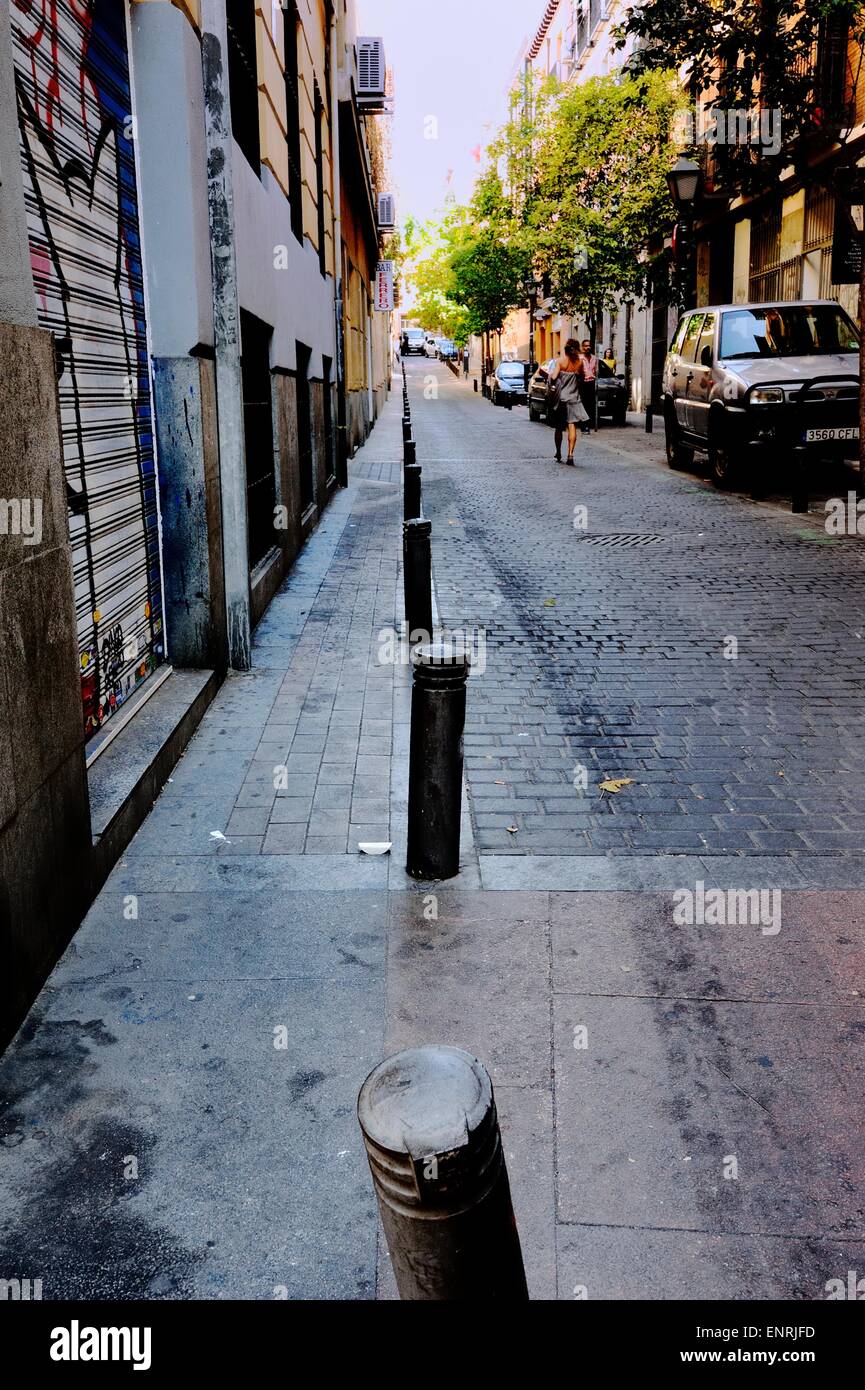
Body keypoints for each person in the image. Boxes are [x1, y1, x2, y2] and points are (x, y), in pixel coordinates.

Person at [549, 339, 589, 464]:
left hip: (562, 399)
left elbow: (554, 377)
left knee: (559, 428)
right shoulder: (579, 363)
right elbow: (582, 377)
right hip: (574, 399)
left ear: (565, 350)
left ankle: (558, 452)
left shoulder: (560, 362)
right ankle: (570, 455)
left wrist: (551, 376)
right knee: (572, 426)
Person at [579, 339, 599, 432]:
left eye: (589, 346)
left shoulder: (595, 358)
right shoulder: (579, 358)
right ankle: (584, 425)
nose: (587, 347)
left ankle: (589, 424)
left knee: (591, 405)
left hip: (592, 383)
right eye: (585, 346)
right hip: (582, 383)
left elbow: (596, 371)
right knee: (583, 405)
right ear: (582, 347)